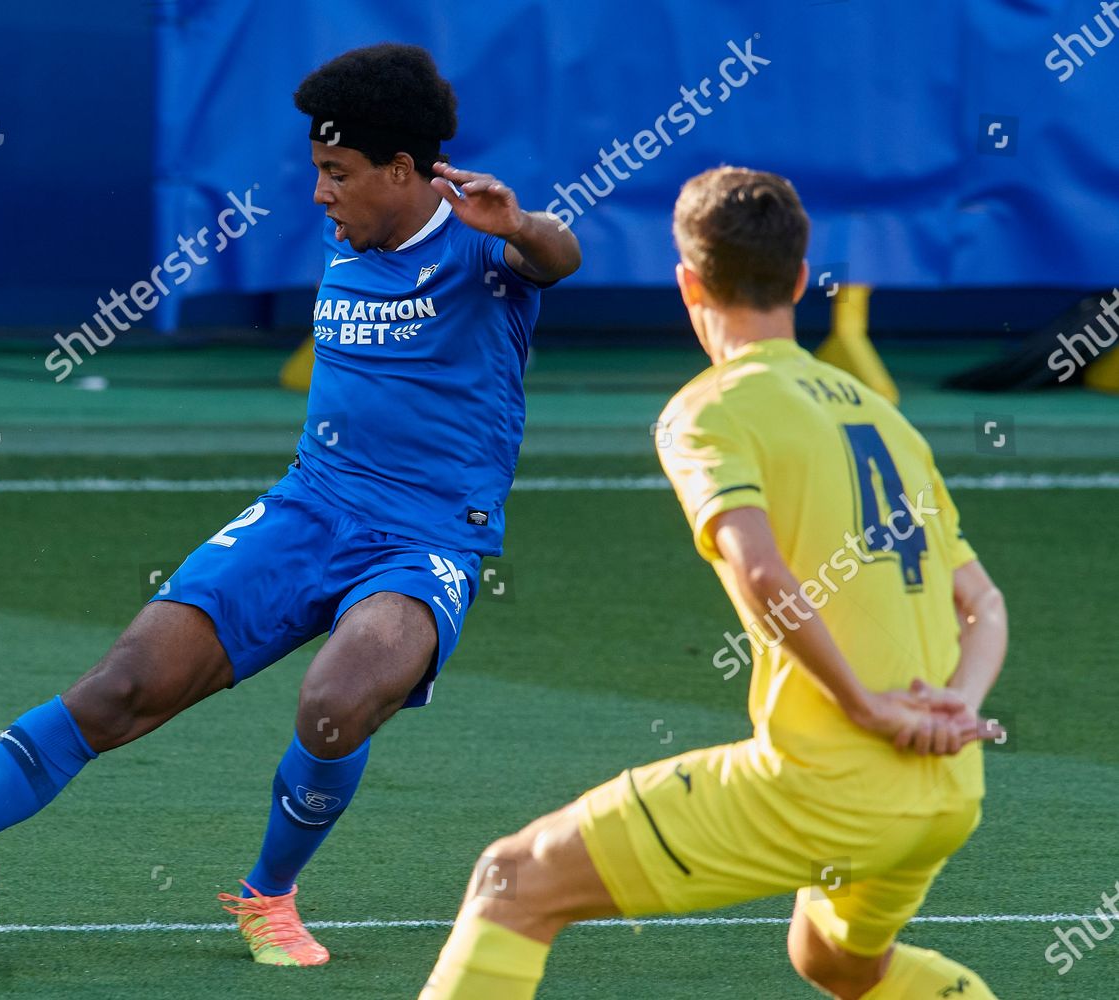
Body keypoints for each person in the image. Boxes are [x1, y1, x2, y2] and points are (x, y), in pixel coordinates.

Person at [0, 42, 580, 968]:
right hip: (308, 509)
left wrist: (522, 225)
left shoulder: (486, 245)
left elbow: (559, 257)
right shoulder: (354, 231)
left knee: (337, 702)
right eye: (317, 169)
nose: (319, 193)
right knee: (121, 688)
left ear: (402, 171)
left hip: (424, 540)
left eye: (337, 173)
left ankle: (268, 897)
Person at [419, 166, 1005, 999]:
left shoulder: (708, 410)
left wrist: (870, 709)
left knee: (512, 882)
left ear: (688, 283)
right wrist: (957, 707)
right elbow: (983, 602)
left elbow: (761, 571)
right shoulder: (884, 416)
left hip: (831, 786)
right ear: (800, 281)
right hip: (947, 787)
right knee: (833, 959)